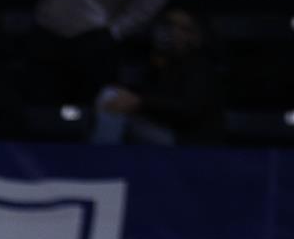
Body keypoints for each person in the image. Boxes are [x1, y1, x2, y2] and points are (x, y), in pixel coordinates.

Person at [93, 9, 217, 145]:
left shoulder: (200, 65)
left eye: (183, 28)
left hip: (186, 138)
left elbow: (189, 109)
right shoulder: (160, 59)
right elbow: (147, 93)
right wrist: (129, 96)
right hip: (158, 126)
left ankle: (101, 161)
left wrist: (140, 102)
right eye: (169, 25)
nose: (173, 32)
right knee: (111, 95)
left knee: (113, 111)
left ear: (195, 36)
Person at [30, 0, 166, 105]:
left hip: (91, 37)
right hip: (45, 26)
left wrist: (116, 30)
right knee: (37, 104)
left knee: (78, 112)